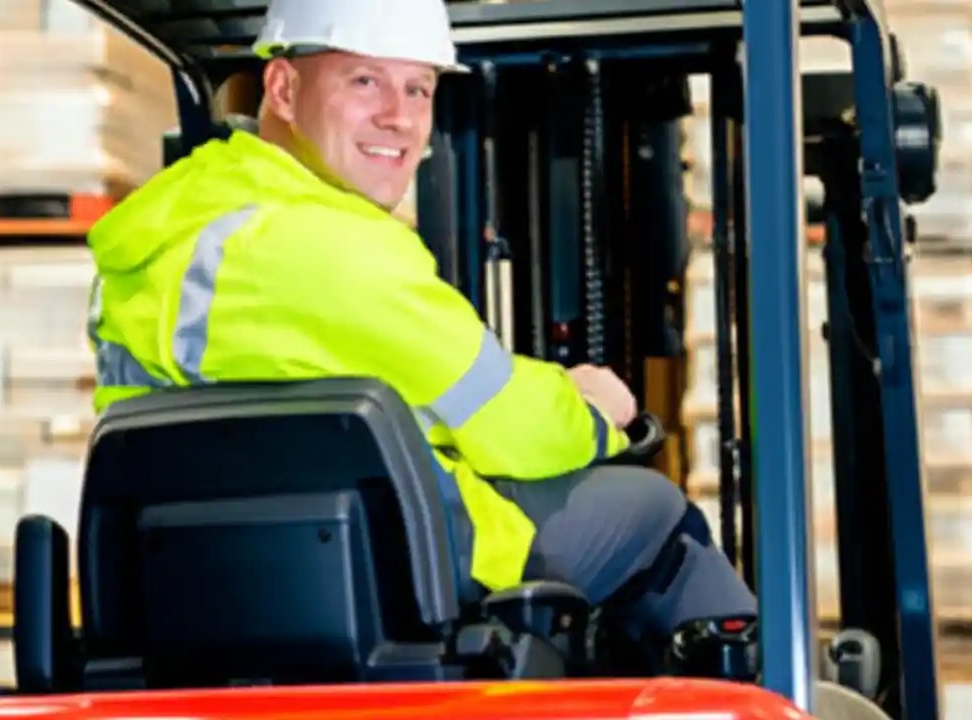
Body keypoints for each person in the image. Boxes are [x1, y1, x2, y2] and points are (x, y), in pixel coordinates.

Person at [84, 0, 758, 674]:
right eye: (365, 82)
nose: (399, 119)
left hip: (190, 592)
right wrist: (597, 414)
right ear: (283, 89)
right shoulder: (342, 250)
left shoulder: (154, 242)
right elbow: (515, 428)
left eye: (418, 89)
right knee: (655, 512)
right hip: (398, 580)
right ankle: (763, 693)